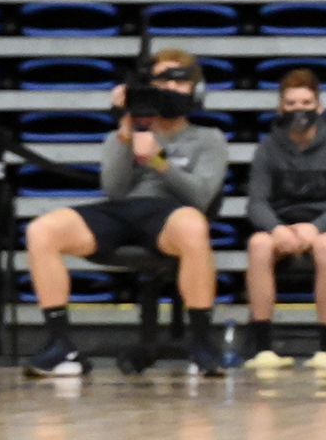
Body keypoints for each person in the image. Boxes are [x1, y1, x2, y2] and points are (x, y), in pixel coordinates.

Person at [23, 50, 231, 378]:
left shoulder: (208, 139)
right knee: (41, 231)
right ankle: (62, 344)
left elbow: (201, 198)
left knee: (193, 225)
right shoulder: (124, 134)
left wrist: (159, 162)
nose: (170, 87)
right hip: (122, 211)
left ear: (195, 89)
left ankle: (202, 344)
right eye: (162, 79)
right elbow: (115, 190)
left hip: (170, 213)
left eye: (179, 80)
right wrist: (125, 130)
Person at [244, 69, 326, 372]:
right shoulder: (267, 148)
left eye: (306, 102)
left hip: (324, 225)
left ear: (318, 106)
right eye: (291, 103)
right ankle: (263, 347)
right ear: (281, 108)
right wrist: (277, 229)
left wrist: (316, 227)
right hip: (280, 224)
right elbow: (257, 201)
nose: (299, 110)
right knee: (258, 245)